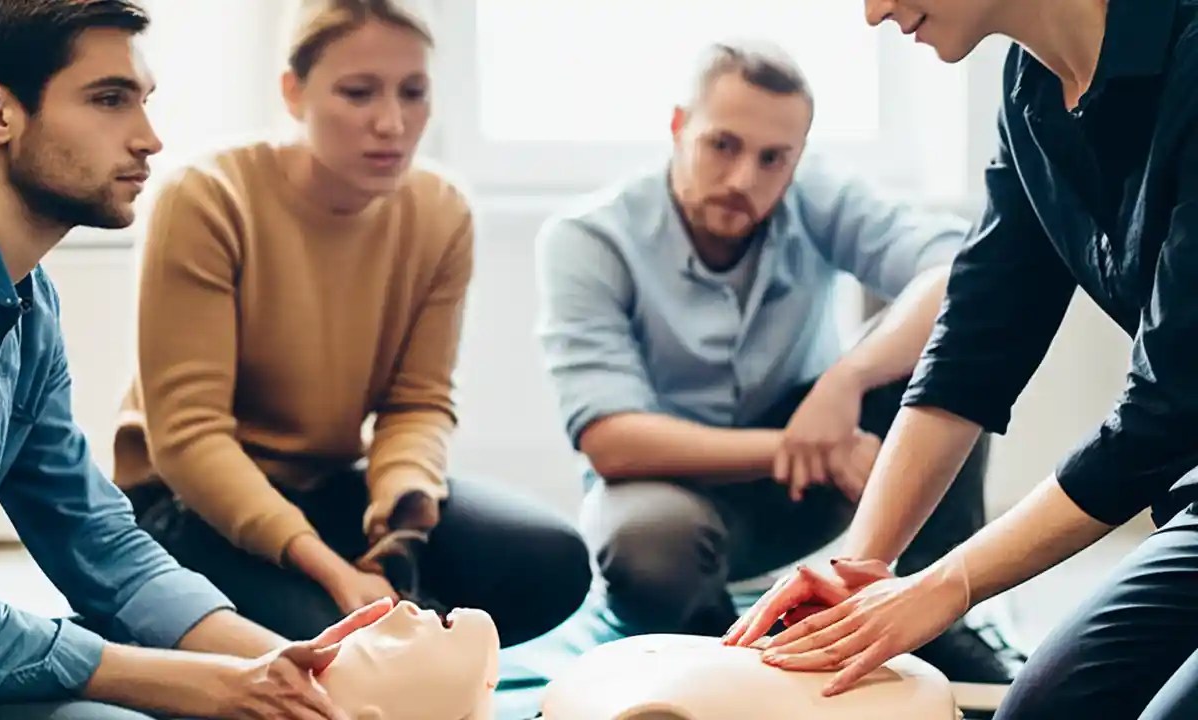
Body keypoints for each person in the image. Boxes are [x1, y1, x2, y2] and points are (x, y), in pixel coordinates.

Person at [0, 2, 394, 719]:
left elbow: (92, 535)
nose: (149, 139)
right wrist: (213, 687)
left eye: (143, 101)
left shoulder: (27, 301)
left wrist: (289, 667)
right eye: (110, 100)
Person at [726, 1, 1198, 718]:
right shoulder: (1031, 90)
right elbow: (975, 344)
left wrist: (946, 584)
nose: (874, 12)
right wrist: (859, 568)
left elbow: (1164, 413)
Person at [534, 36, 1022, 689]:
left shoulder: (814, 191)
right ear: (679, 128)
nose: (745, 179)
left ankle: (933, 619)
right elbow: (612, 441)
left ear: (797, 159)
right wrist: (793, 445)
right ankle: (725, 659)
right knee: (646, 544)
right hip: (672, 495)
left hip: (812, 484)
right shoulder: (587, 240)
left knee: (951, 356)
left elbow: (962, 272)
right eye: (722, 146)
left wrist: (847, 378)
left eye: (773, 159)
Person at [112, 0, 591, 649]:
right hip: (184, 505)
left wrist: (397, 530)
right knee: (348, 646)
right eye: (358, 93)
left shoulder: (440, 210)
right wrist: (331, 569)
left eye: (413, 93)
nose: (392, 123)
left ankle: (368, 623)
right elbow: (190, 439)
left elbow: (417, 403)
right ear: (293, 91)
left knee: (553, 560)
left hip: (330, 487)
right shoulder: (207, 197)